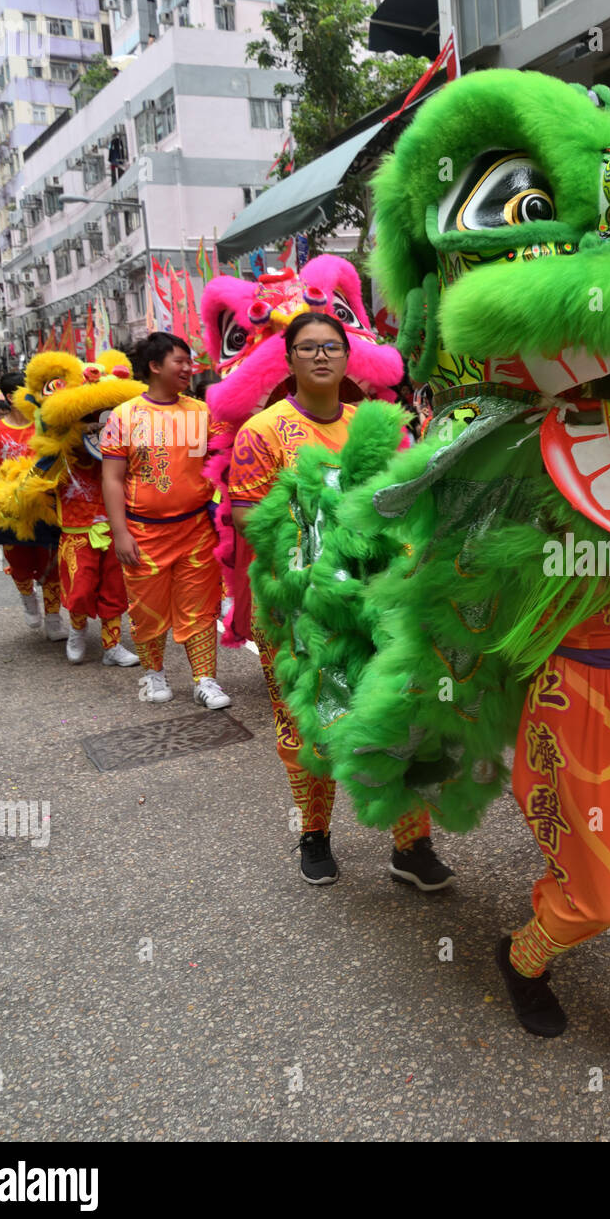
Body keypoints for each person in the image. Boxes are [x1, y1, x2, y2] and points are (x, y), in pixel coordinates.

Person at [229, 313, 453, 890]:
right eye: (308, 348)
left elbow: (398, 502)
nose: (321, 356)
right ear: (289, 359)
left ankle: (412, 845)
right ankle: (314, 833)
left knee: (395, 714)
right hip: (299, 607)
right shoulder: (263, 432)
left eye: (332, 346)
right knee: (308, 726)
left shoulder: (370, 426)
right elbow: (250, 521)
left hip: (374, 604)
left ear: (348, 358)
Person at [101, 332, 229, 708]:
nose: (189, 368)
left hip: (196, 530)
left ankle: (205, 679)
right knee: (146, 608)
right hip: (143, 533)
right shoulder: (124, 417)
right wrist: (120, 532)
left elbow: (221, 457)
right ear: (155, 367)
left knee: (200, 606)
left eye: (190, 361)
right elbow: (112, 478)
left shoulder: (200, 412)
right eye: (180, 361)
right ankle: (154, 674)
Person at [0, 371, 66, 637]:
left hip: (46, 507)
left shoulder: (45, 425)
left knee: (51, 564)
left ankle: (54, 619)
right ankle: (28, 600)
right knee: (20, 564)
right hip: (12, 511)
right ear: (12, 397)